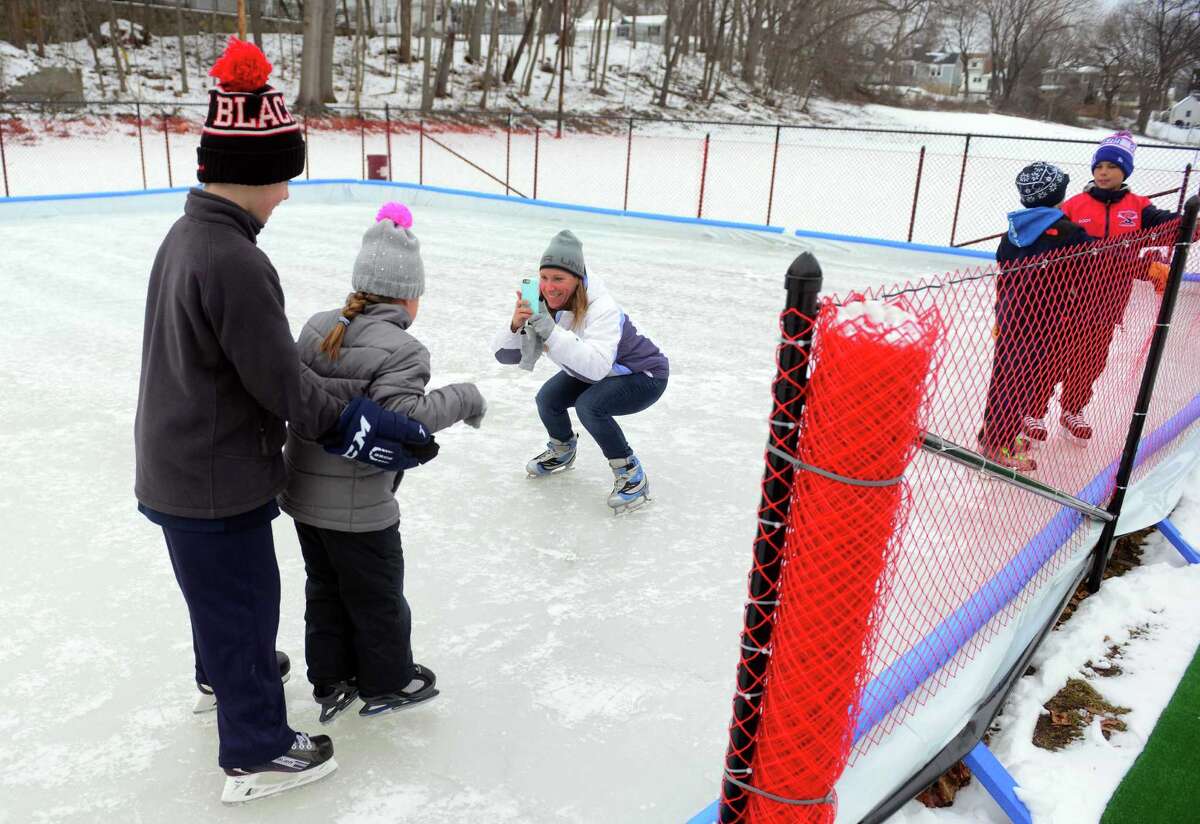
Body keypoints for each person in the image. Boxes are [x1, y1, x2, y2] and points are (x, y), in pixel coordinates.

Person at [134, 38, 430, 804]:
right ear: (256, 171)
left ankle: (225, 676)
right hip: (212, 476)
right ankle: (259, 749)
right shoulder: (233, 259)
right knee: (243, 603)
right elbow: (283, 386)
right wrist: (363, 424)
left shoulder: (190, 234)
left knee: (218, 602)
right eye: (283, 179)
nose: (287, 196)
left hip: (178, 466)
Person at [279, 203, 486, 722]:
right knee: (378, 596)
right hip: (361, 506)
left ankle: (330, 679)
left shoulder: (316, 327)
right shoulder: (404, 349)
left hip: (302, 497)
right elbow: (406, 420)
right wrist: (465, 397)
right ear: (408, 296)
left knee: (324, 587)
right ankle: (387, 681)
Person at [493, 230, 669, 512]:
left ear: (578, 280)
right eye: (545, 277)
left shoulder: (603, 308)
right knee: (547, 399)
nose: (549, 286)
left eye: (559, 279)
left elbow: (597, 368)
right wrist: (515, 325)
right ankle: (563, 449)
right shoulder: (543, 303)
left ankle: (631, 474)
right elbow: (505, 355)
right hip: (597, 371)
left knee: (591, 406)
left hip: (644, 375)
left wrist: (550, 332)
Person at [1051, 130, 1177, 441]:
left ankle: (1073, 409)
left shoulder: (1137, 207)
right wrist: (1142, 267)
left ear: (1125, 171)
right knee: (1053, 358)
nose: (1104, 172)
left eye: (1112, 167)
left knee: (1091, 359)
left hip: (1108, 303)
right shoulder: (1074, 206)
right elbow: (1070, 251)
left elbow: (1173, 227)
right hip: (1068, 299)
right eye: (1099, 167)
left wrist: (1191, 220)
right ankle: (1034, 412)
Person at [979, 162, 1091, 471]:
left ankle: (991, 432)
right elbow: (1091, 268)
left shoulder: (1013, 230)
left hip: (1009, 315)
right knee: (1021, 382)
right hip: (1044, 321)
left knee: (1003, 375)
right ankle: (999, 445)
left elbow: (1003, 262)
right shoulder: (1069, 233)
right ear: (1059, 194)